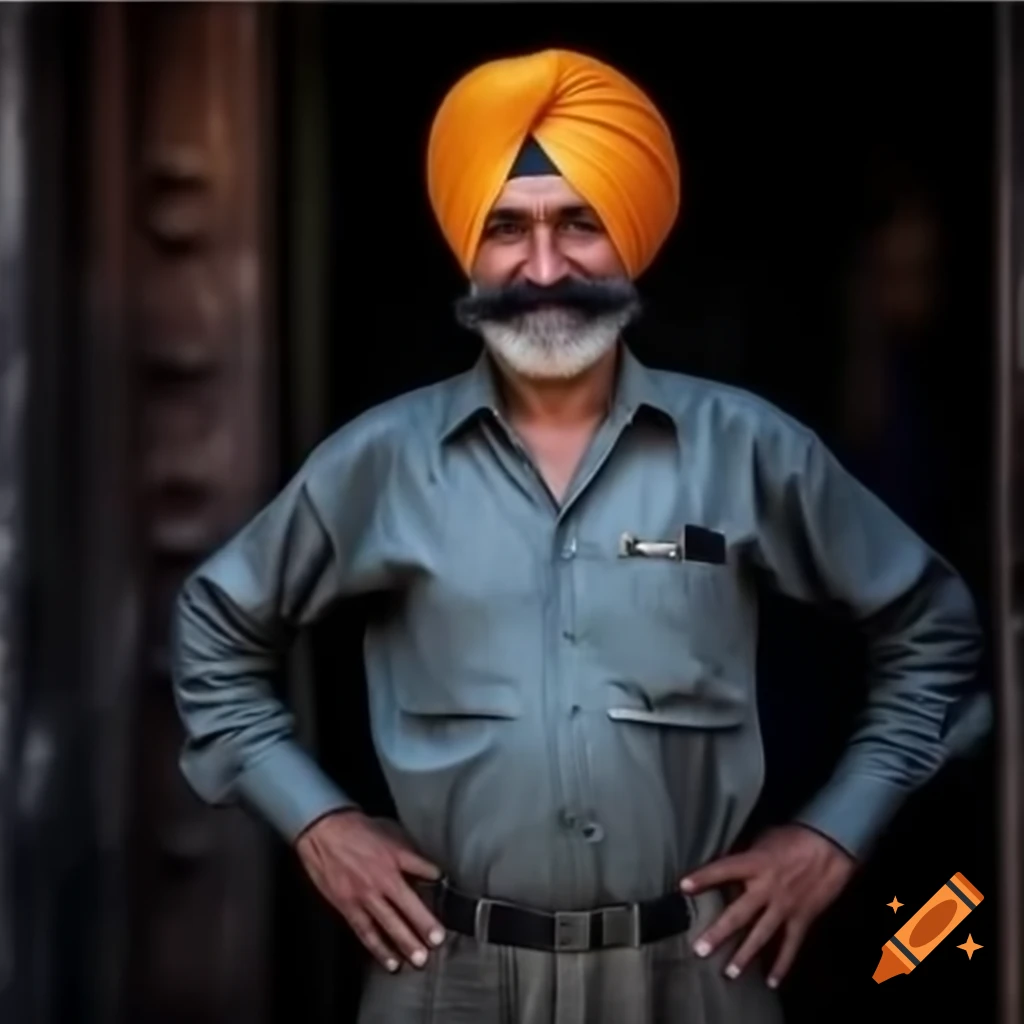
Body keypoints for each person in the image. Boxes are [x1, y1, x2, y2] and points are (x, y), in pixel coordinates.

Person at [171, 49, 990, 1023]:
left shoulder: (747, 449)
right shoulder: (380, 461)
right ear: (467, 248)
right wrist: (318, 822)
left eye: (581, 224)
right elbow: (214, 631)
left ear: (630, 242)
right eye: (507, 228)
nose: (545, 267)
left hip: (695, 975)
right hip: (445, 977)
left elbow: (933, 632)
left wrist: (832, 835)